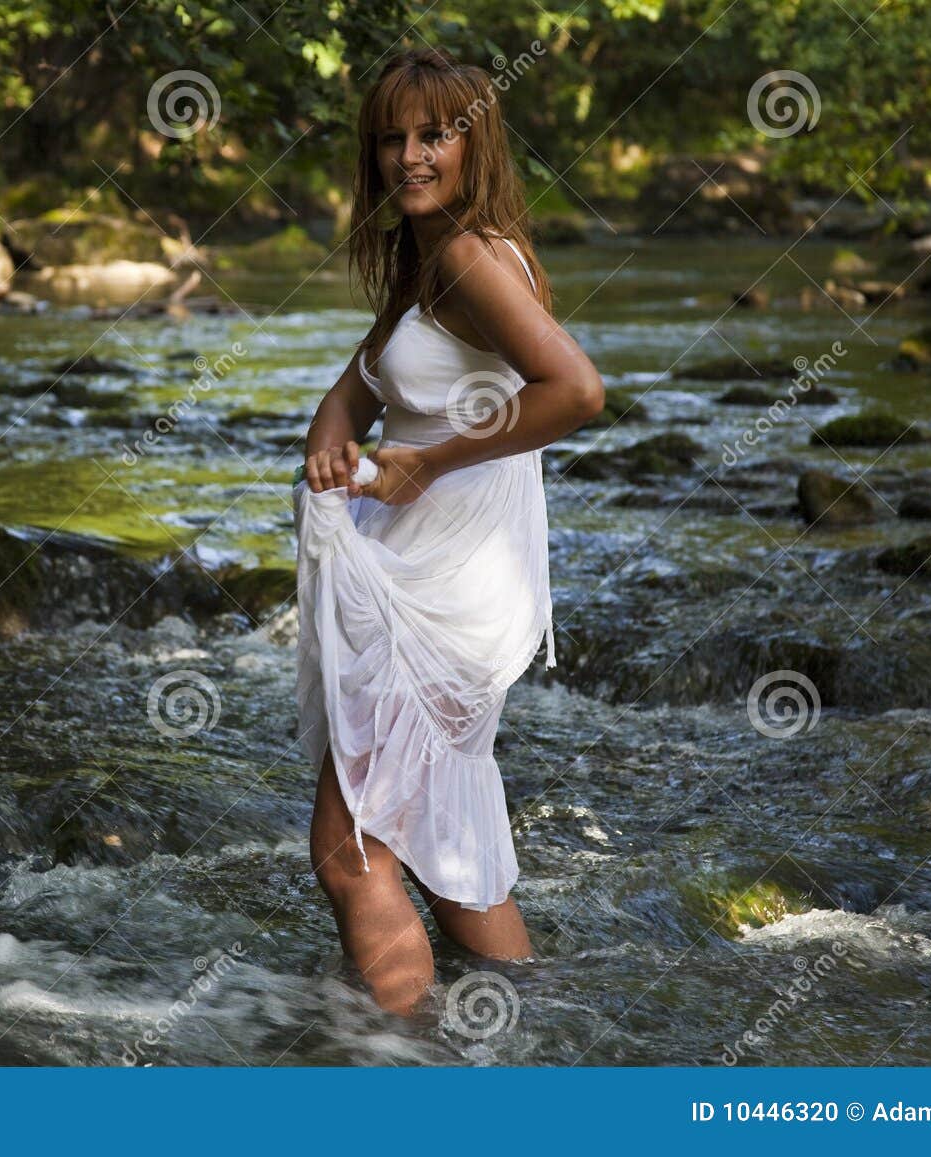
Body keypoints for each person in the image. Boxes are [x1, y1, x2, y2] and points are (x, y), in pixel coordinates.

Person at [292, 47, 607, 1017]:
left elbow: (578, 392)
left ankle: (407, 1074)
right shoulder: (426, 256)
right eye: (391, 137)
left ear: (477, 143)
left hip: (447, 591)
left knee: (350, 854)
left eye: (434, 136)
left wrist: (428, 460)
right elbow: (359, 381)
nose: (409, 157)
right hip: (423, 577)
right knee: (440, 846)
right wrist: (335, 432)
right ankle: (536, 1028)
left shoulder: (471, 257)